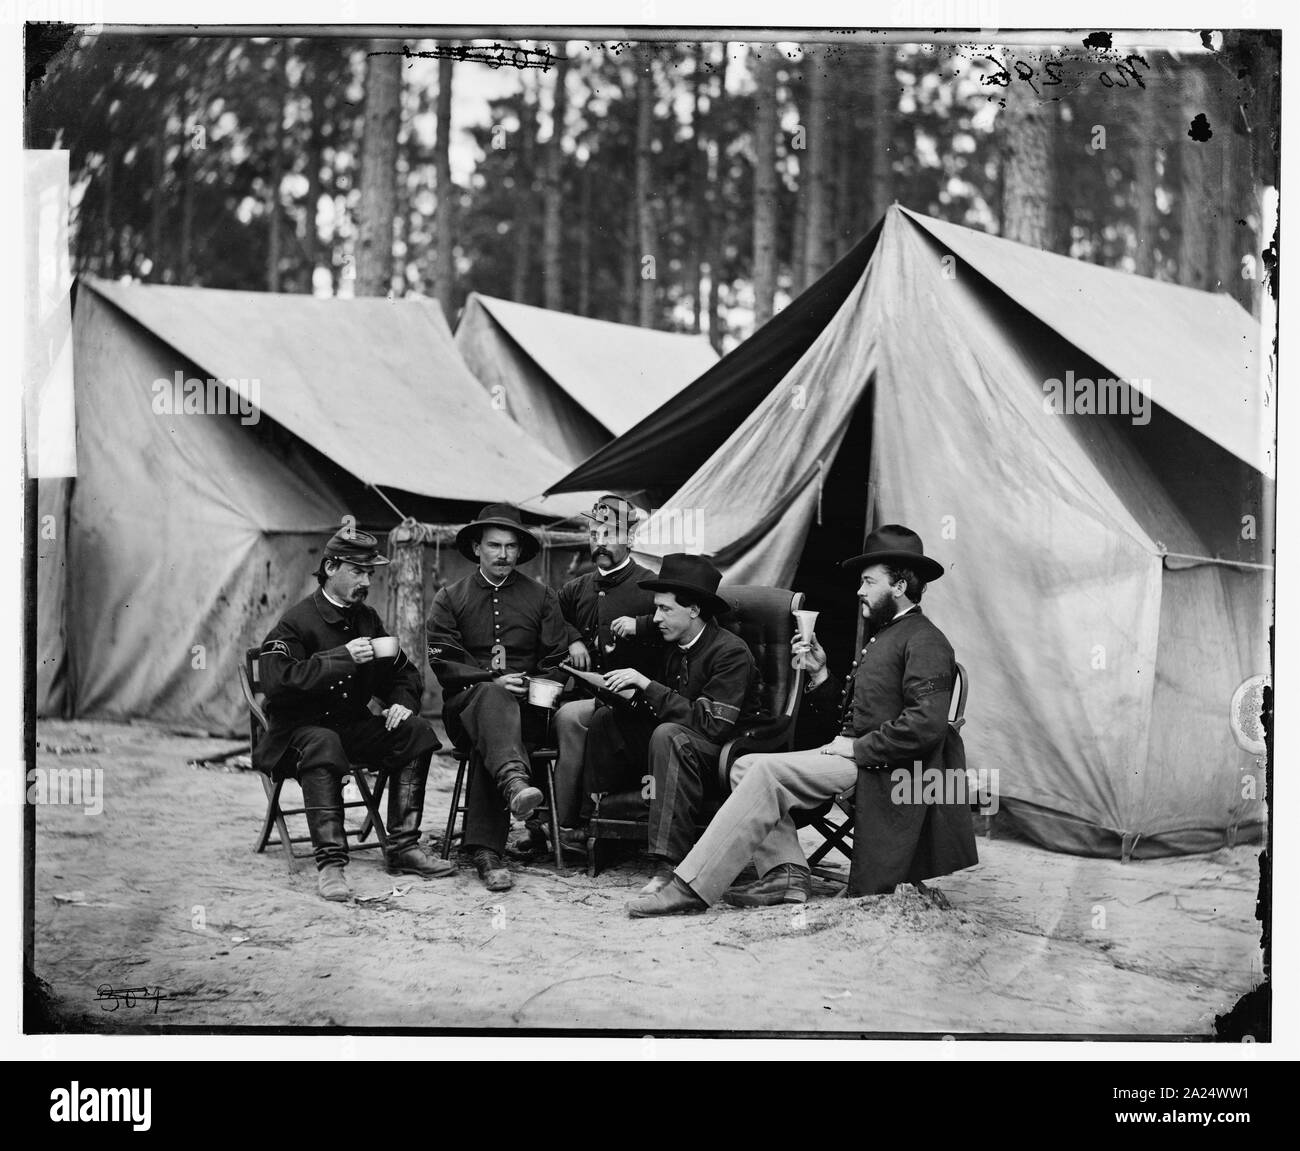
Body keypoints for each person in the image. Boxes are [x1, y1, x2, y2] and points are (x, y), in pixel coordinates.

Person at [626, 524, 978, 918]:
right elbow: (850, 717)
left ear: (898, 586)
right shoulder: (888, 635)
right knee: (745, 764)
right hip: (857, 756)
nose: (859, 591)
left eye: (868, 582)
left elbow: (926, 727)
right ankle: (786, 872)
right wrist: (821, 675)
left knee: (765, 773)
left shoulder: (925, 640)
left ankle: (691, 886)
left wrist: (858, 748)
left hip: (885, 767)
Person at [254, 527, 452, 903]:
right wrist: (339, 659)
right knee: (324, 742)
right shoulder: (295, 623)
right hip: (298, 733)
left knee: (417, 731)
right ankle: (330, 864)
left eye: (370, 574)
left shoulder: (367, 620)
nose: (366, 581)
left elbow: (404, 672)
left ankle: (402, 846)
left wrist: (401, 703)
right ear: (330, 567)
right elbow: (276, 682)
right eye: (357, 571)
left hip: (350, 728)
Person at [584, 552, 762, 895]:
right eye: (656, 609)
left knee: (668, 734)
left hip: (723, 753)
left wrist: (648, 686)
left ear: (694, 610)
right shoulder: (671, 642)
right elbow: (651, 696)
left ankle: (669, 864)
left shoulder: (730, 652)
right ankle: (596, 826)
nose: (657, 617)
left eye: (665, 609)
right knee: (608, 719)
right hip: (676, 744)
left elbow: (712, 725)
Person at [425, 503, 569, 892]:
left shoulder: (541, 597)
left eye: (510, 547)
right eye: (494, 545)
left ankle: (488, 851)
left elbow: (558, 658)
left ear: (520, 551)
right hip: (465, 709)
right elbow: (442, 659)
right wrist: (491, 679)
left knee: (497, 732)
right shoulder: (450, 598)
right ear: (476, 548)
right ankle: (514, 786)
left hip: (530, 712)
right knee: (490, 700)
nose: (503, 554)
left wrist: (536, 684)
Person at [551, 495, 661, 852]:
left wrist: (642, 626)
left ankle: (568, 824)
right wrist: (572, 640)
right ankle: (546, 822)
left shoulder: (651, 586)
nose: (600, 542)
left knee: (570, 718)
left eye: (610, 534)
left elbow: (676, 632)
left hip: (636, 700)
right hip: (587, 693)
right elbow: (551, 621)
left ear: (630, 538)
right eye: (594, 533)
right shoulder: (575, 589)